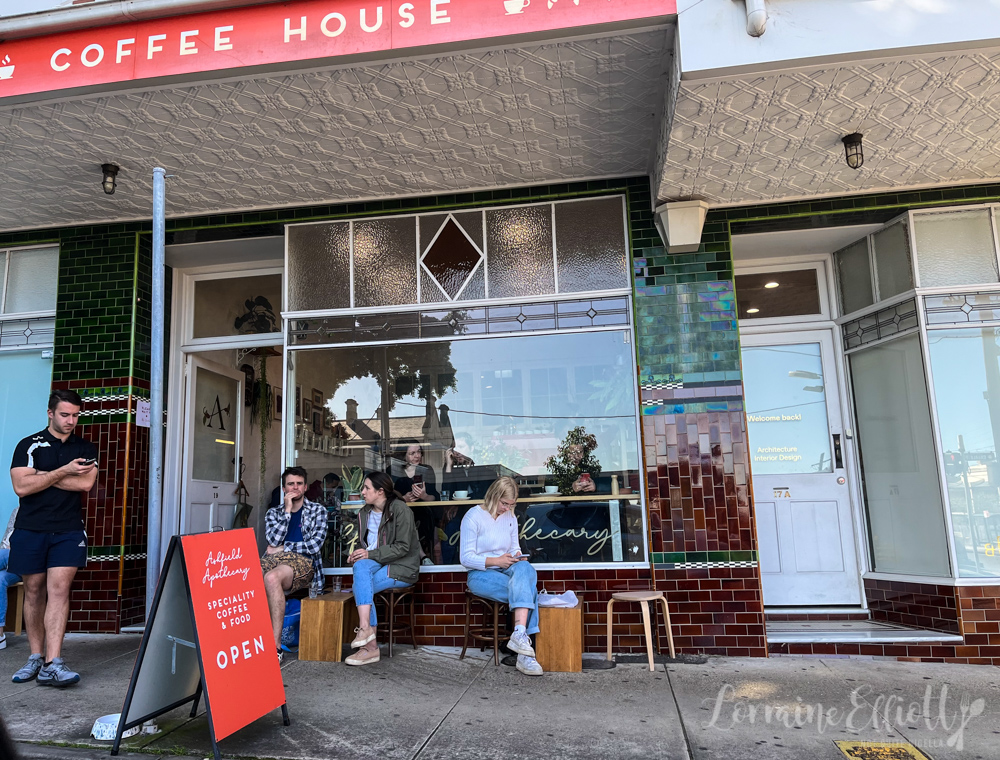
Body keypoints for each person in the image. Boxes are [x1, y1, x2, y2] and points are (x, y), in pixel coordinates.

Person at [9, 389, 98, 687]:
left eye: (75, 415)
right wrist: (63, 471)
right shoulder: (28, 445)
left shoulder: (85, 447)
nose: (71, 420)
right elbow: (21, 488)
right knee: (33, 591)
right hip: (30, 528)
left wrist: (42, 477)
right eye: (65, 415)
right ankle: (35, 656)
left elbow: (86, 483)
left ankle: (53, 662)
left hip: (69, 529)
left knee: (59, 590)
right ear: (50, 413)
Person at [460, 476, 543, 676]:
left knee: (526, 569)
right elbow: (466, 558)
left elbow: (514, 548)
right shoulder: (473, 517)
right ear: (494, 496)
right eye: (504, 503)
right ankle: (526, 656)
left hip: (507, 569)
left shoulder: (511, 517)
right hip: (480, 574)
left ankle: (519, 634)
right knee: (529, 592)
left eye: (511, 504)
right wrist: (497, 561)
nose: (507, 508)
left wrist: (517, 557)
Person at [345, 471, 420, 667]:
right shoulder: (365, 512)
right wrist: (357, 553)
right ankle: (365, 630)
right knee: (361, 569)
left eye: (366, 488)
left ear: (380, 491)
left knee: (362, 587)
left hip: (401, 566)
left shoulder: (400, 509)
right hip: (377, 561)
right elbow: (367, 546)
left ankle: (369, 647)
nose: (362, 492)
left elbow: (403, 547)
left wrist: (369, 554)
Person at [261, 466, 328, 662]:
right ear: (283, 488)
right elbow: (273, 540)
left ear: (306, 487)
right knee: (247, 575)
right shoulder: (273, 513)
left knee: (272, 578)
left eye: (299, 484)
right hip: (272, 559)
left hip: (303, 562)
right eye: (290, 484)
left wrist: (284, 548)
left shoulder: (318, 511)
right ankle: (250, 643)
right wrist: (287, 511)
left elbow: (314, 546)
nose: (295, 488)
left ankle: (275, 647)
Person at [393, 441, 439, 564]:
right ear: (404, 455)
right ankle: (422, 557)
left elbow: (434, 498)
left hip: (422, 514)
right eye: (412, 453)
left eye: (419, 451)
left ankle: (422, 557)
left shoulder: (426, 470)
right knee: (405, 523)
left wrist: (424, 496)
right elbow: (387, 497)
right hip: (399, 514)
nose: (417, 456)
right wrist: (403, 499)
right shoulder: (394, 470)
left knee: (417, 524)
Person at [0, 508, 22, 650]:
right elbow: (5, 539)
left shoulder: (44, 511)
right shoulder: (16, 511)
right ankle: (0, 636)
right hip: (7, 558)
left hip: (25, 561)